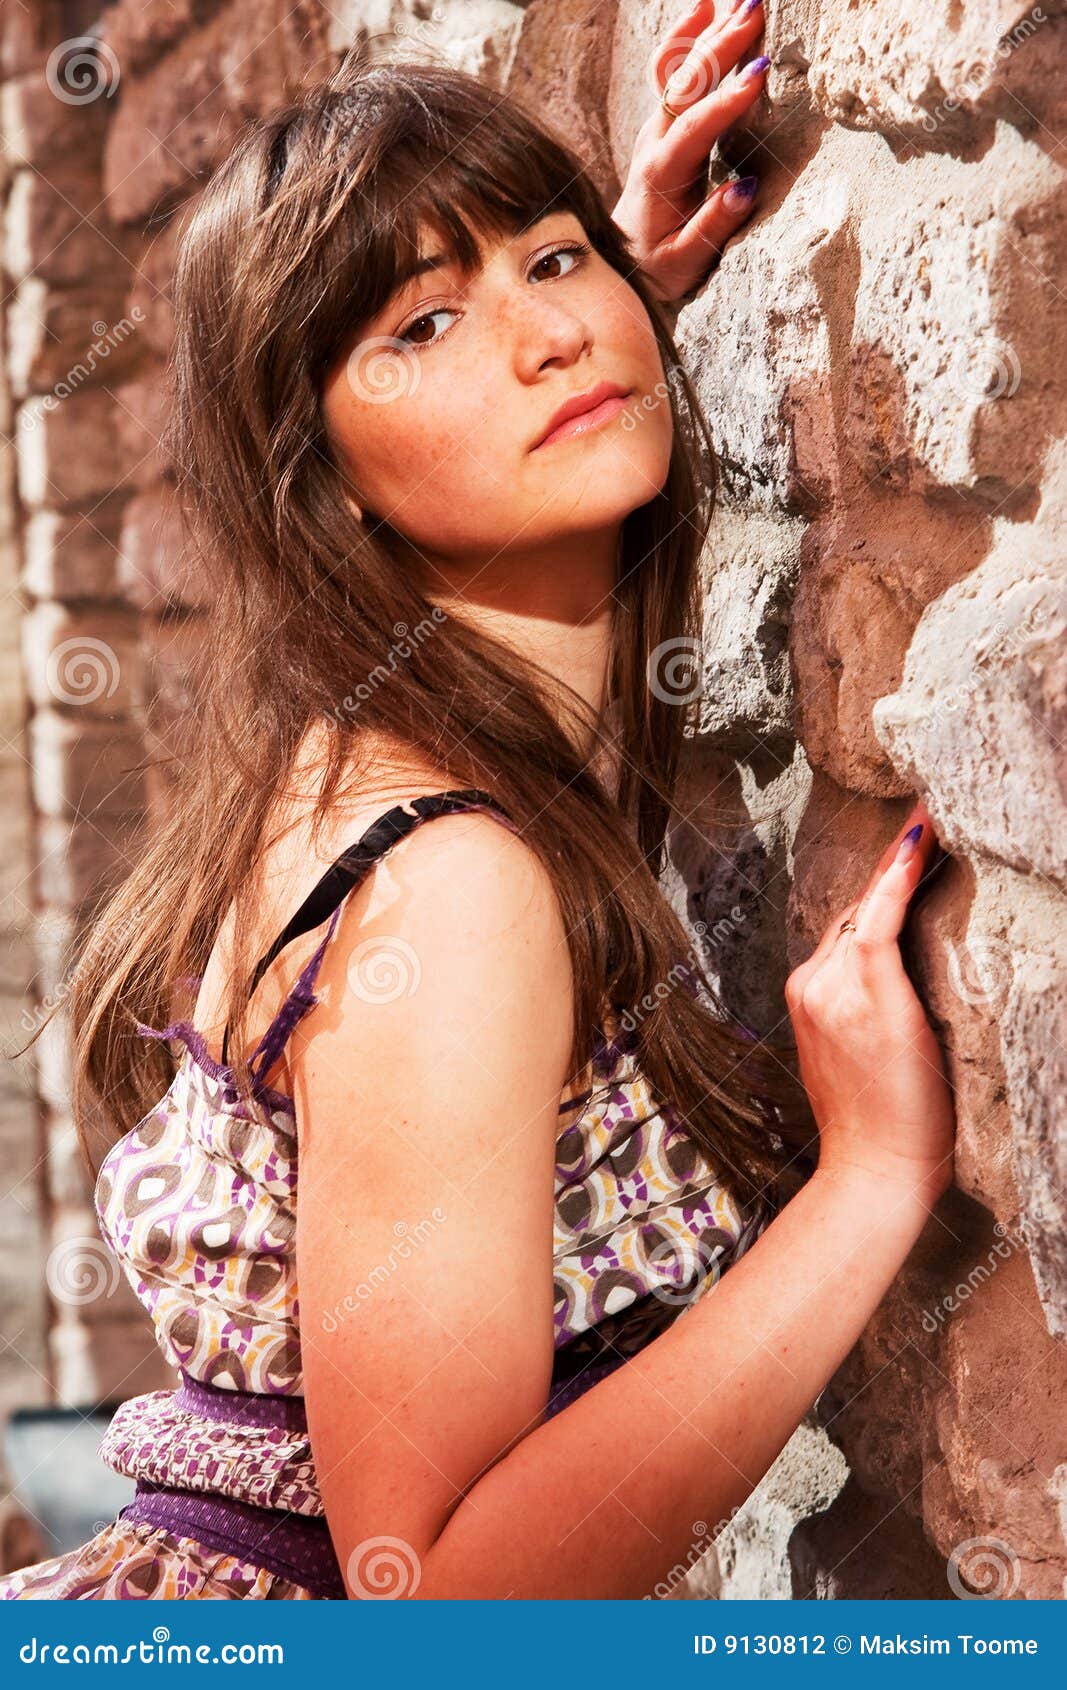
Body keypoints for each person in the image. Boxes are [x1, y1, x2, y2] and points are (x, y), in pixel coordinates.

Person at [1, 9, 955, 1602]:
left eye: (554, 258)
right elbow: (435, 1602)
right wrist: (867, 1189)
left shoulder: (410, 719)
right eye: (418, 329)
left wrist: (602, 293)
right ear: (330, 477)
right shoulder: (452, 889)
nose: (550, 336)